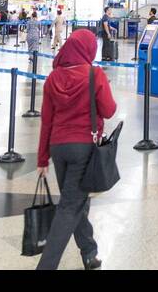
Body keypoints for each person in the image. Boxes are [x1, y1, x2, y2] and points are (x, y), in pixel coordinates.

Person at [36, 29, 116, 270]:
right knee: (70, 207)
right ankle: (46, 266)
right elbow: (109, 110)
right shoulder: (94, 74)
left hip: (58, 148)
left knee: (75, 201)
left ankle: (89, 253)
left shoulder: (53, 78)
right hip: (83, 148)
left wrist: (42, 159)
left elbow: (46, 121)